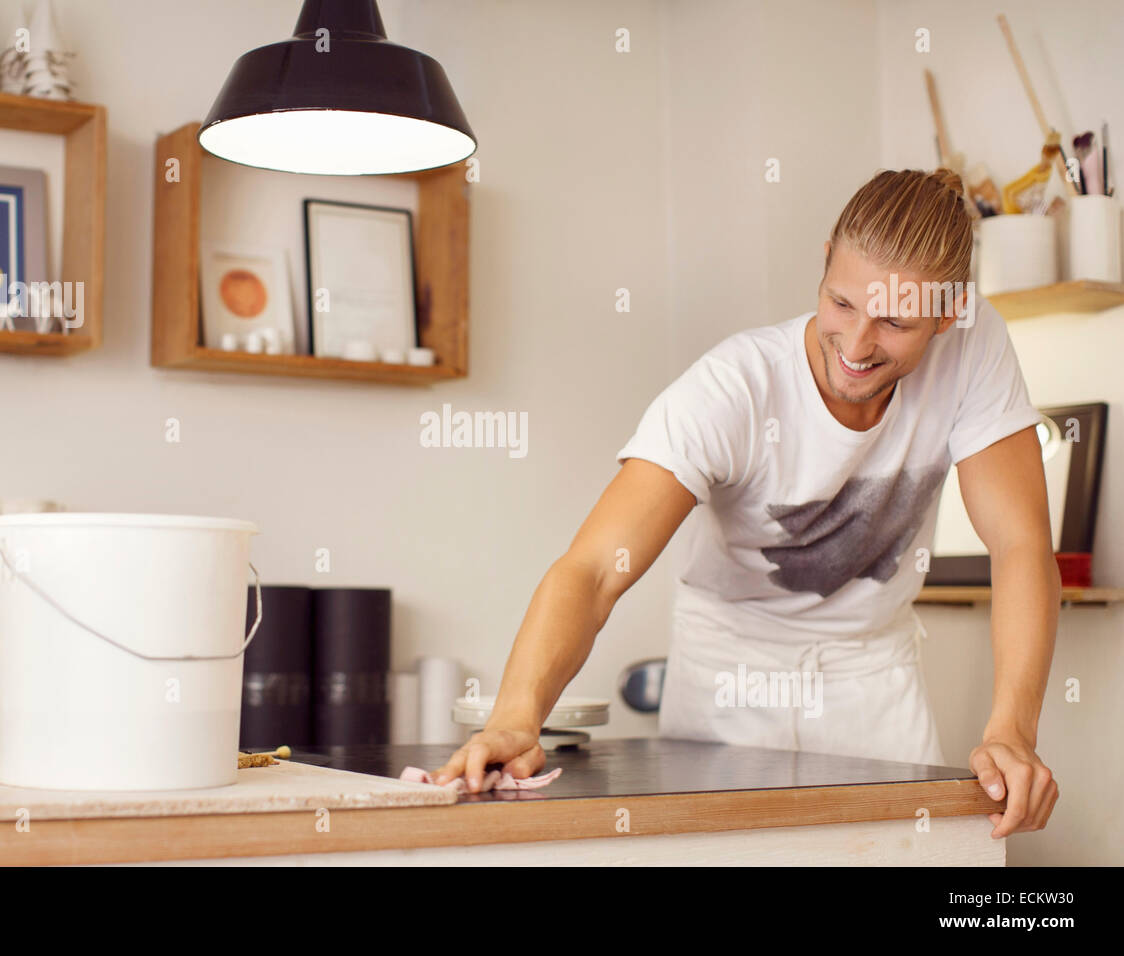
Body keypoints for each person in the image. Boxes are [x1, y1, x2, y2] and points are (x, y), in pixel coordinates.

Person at [431, 168, 1060, 839]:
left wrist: (1012, 732)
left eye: (896, 322)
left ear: (949, 311)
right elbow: (592, 571)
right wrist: (514, 719)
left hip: (873, 679)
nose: (857, 344)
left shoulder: (973, 346)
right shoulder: (732, 390)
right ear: (823, 262)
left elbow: (1020, 544)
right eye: (841, 304)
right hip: (730, 682)